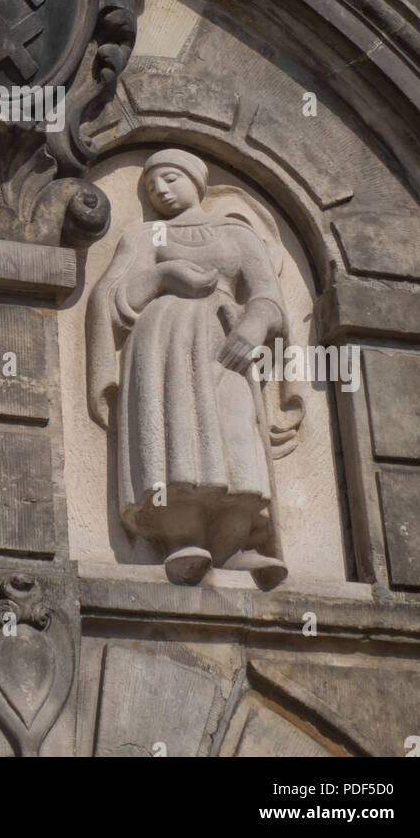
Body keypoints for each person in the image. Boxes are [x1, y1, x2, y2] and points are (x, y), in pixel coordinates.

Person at [87, 149, 289, 589]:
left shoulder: (236, 234)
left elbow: (268, 296)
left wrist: (254, 326)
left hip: (225, 346)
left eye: (170, 178)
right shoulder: (147, 236)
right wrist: (163, 277)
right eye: (150, 186)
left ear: (197, 181)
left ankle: (234, 546)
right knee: (173, 436)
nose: (159, 189)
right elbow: (112, 299)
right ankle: (183, 541)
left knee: (236, 434)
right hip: (162, 349)